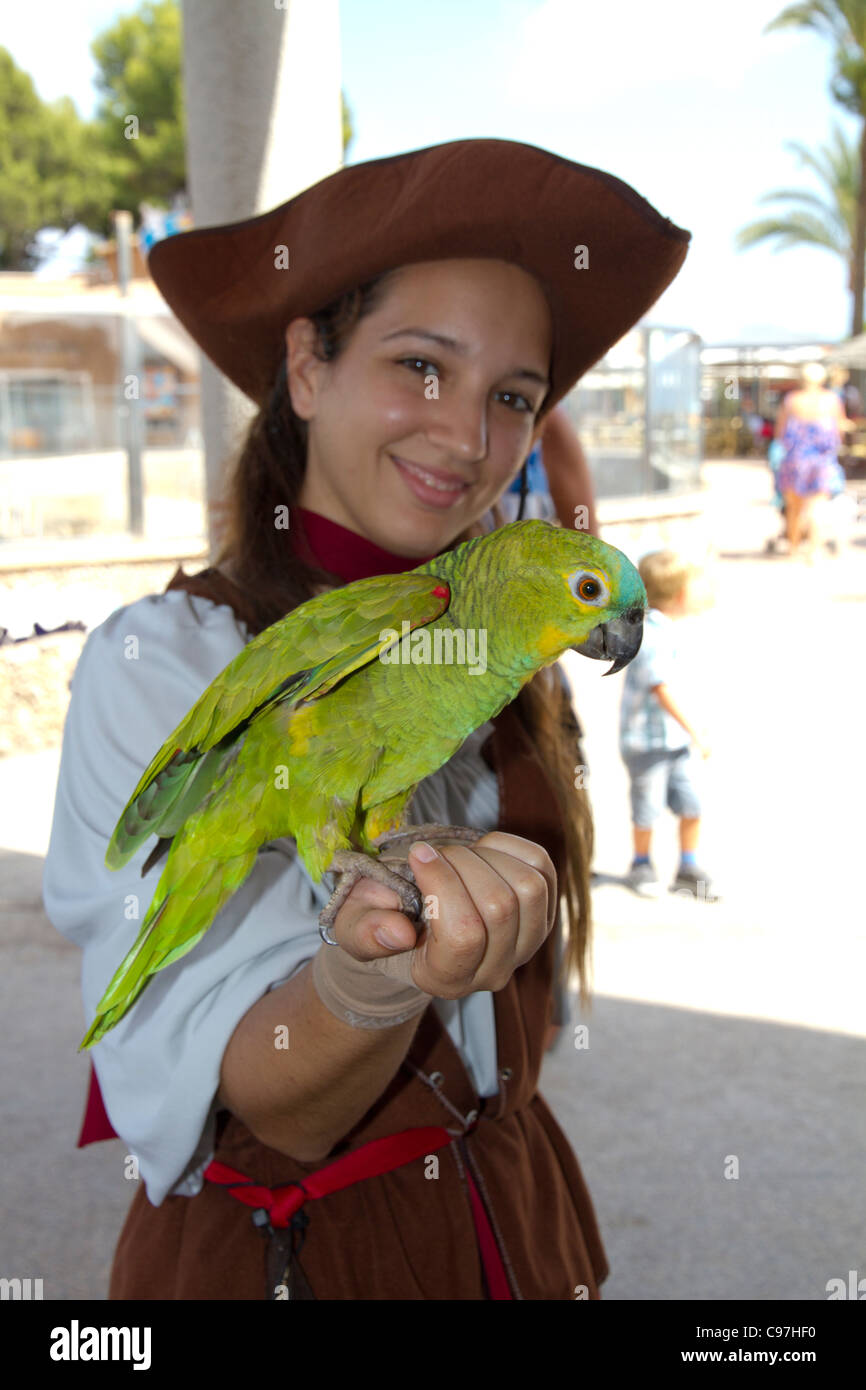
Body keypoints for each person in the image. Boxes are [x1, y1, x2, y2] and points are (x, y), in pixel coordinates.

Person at [43, 137, 689, 1300]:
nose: (466, 435)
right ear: (304, 368)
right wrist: (370, 979)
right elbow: (271, 1097)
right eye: (421, 365)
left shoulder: (501, 661)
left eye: (512, 396)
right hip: (292, 1258)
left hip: (512, 1221)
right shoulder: (165, 660)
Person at [619, 550, 716, 902]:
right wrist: (696, 730)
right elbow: (661, 688)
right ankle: (641, 864)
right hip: (647, 743)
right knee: (646, 808)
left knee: (692, 805)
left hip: (672, 742)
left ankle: (687, 867)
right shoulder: (651, 635)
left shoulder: (667, 630)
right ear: (679, 595)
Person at [774, 363, 851, 561]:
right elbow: (839, 431)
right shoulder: (831, 400)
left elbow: (780, 432)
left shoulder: (792, 400)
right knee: (818, 506)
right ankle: (813, 551)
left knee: (794, 508)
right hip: (822, 461)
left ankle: (792, 550)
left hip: (794, 460)